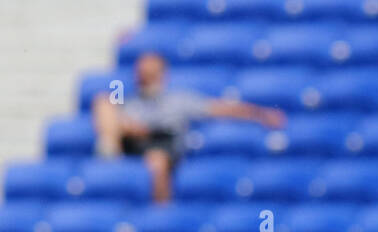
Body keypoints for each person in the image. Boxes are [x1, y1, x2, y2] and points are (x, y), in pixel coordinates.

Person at [93, 52, 286, 203]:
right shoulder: (130, 101)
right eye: (142, 75)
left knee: (157, 161)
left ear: (161, 75)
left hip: (163, 141)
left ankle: (158, 215)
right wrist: (127, 127)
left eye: (150, 75)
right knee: (103, 103)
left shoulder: (178, 100)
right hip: (132, 141)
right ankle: (109, 156)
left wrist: (260, 114)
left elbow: (221, 108)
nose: (144, 79)